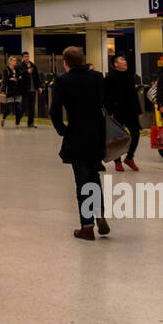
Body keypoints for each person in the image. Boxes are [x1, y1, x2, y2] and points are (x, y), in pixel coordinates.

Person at [48, 46, 108, 241]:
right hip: (97, 135)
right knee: (94, 177)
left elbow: (54, 110)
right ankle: (100, 215)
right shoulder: (97, 77)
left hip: (76, 134)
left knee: (82, 181)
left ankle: (87, 227)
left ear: (65, 62)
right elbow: (103, 102)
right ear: (82, 60)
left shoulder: (63, 80)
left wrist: (62, 129)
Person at [103, 54, 141, 172]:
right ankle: (117, 161)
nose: (125, 61)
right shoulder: (110, 78)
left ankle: (129, 158)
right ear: (115, 64)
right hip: (117, 111)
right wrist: (110, 111)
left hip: (131, 111)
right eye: (122, 60)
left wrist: (139, 110)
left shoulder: (130, 76)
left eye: (125, 59)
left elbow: (134, 95)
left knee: (135, 134)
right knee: (117, 138)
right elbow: (105, 96)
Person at [20, 52, 40, 127]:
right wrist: (26, 71)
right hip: (25, 90)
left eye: (28, 56)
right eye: (25, 56)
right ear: (22, 58)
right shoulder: (21, 66)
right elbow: (20, 73)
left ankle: (30, 123)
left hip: (33, 89)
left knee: (32, 107)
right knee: (24, 106)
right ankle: (18, 119)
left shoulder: (33, 65)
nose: (27, 58)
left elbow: (37, 77)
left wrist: (39, 87)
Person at [2, 55, 22, 128]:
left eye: (15, 60)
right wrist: (3, 90)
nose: (15, 62)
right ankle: (3, 117)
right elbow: (5, 80)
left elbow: (20, 77)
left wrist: (14, 79)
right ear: (9, 61)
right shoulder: (6, 70)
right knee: (10, 109)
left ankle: (17, 123)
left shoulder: (18, 69)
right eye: (13, 60)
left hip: (17, 91)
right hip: (10, 92)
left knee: (19, 108)